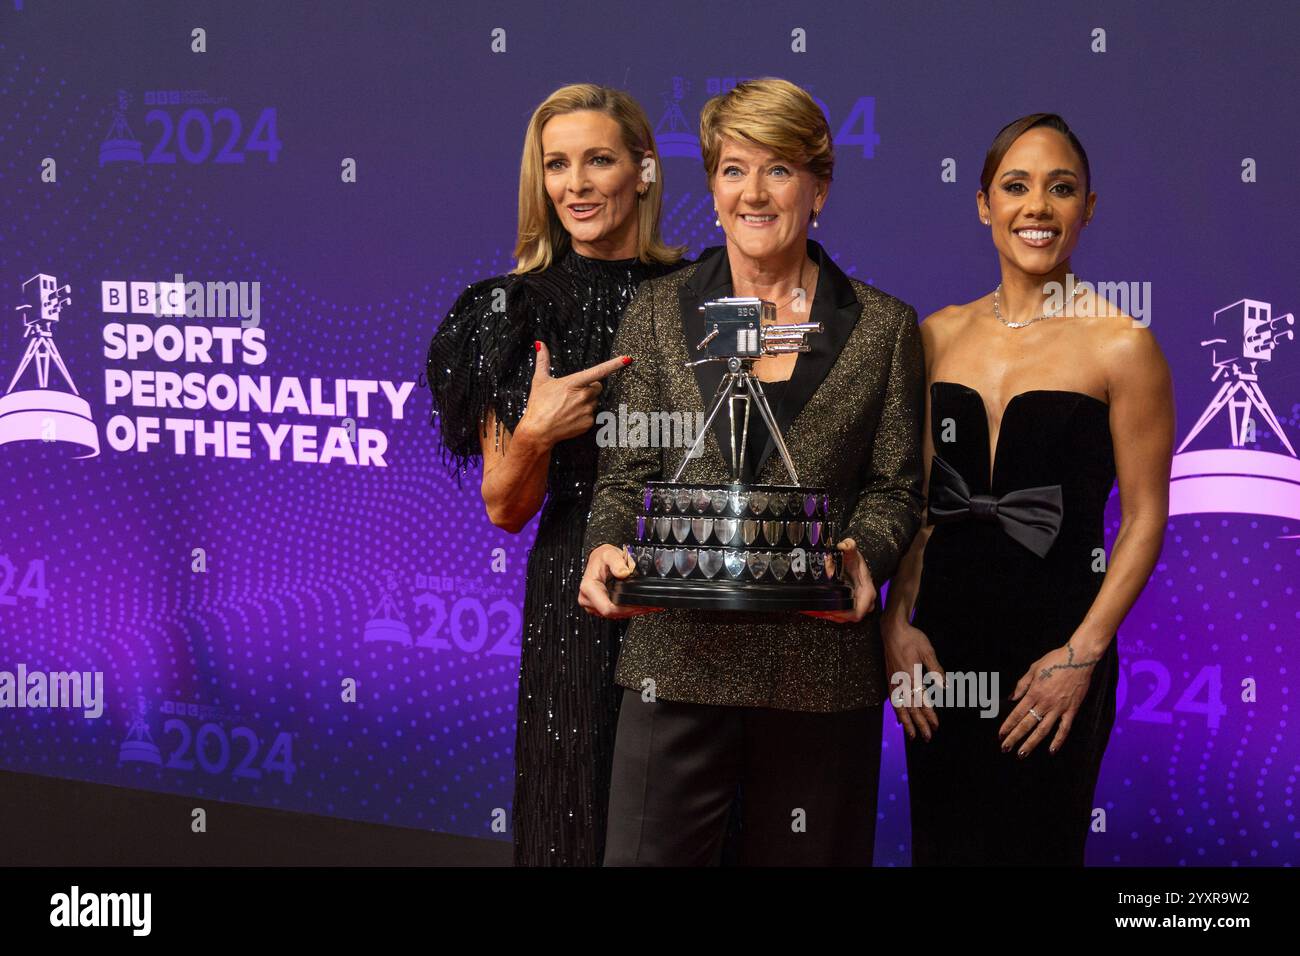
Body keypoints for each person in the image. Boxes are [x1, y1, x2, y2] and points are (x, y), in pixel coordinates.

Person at [578, 77, 926, 866]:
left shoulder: (882, 326)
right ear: (711, 186)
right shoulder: (660, 311)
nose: (755, 193)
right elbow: (624, 472)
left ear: (820, 187)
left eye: (779, 169)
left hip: (816, 670)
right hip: (676, 659)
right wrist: (604, 543)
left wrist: (863, 557)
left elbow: (896, 487)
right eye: (734, 170)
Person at [881, 113, 1174, 866]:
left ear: (1088, 208)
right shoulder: (936, 334)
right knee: (943, 849)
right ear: (984, 204)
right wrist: (897, 623)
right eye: (1016, 187)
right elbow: (915, 502)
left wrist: (1082, 655)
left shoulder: (1123, 345)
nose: (1037, 207)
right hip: (942, 646)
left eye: (1060, 188)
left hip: (1056, 647)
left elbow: (1143, 521)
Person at [424, 84, 685, 866]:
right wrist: (536, 433)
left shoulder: (699, 294)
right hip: (577, 592)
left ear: (642, 169)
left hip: (694, 574)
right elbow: (504, 508)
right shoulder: (516, 310)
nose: (576, 184)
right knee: (577, 808)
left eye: (598, 160)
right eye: (557, 165)